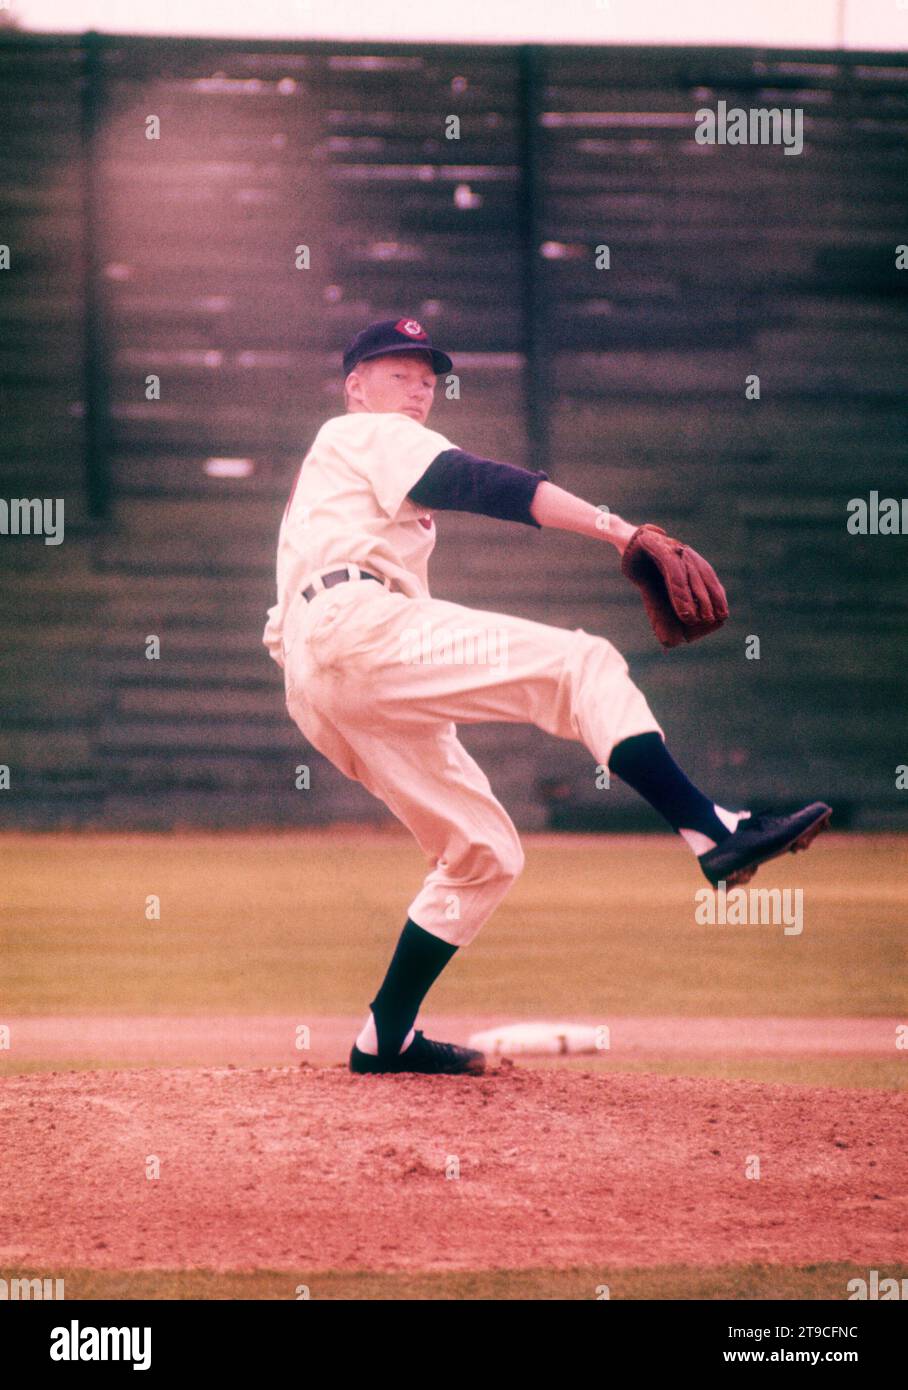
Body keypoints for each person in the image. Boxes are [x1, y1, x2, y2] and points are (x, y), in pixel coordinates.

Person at [263, 317, 830, 1076]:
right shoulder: (361, 433)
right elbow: (481, 482)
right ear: (354, 385)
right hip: (355, 631)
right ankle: (712, 830)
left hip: (326, 670)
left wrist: (317, 666)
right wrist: (621, 532)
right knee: (581, 664)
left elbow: (298, 613)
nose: (419, 389)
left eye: (428, 379)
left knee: (484, 854)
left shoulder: (340, 482)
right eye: (398, 373)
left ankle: (384, 1040)